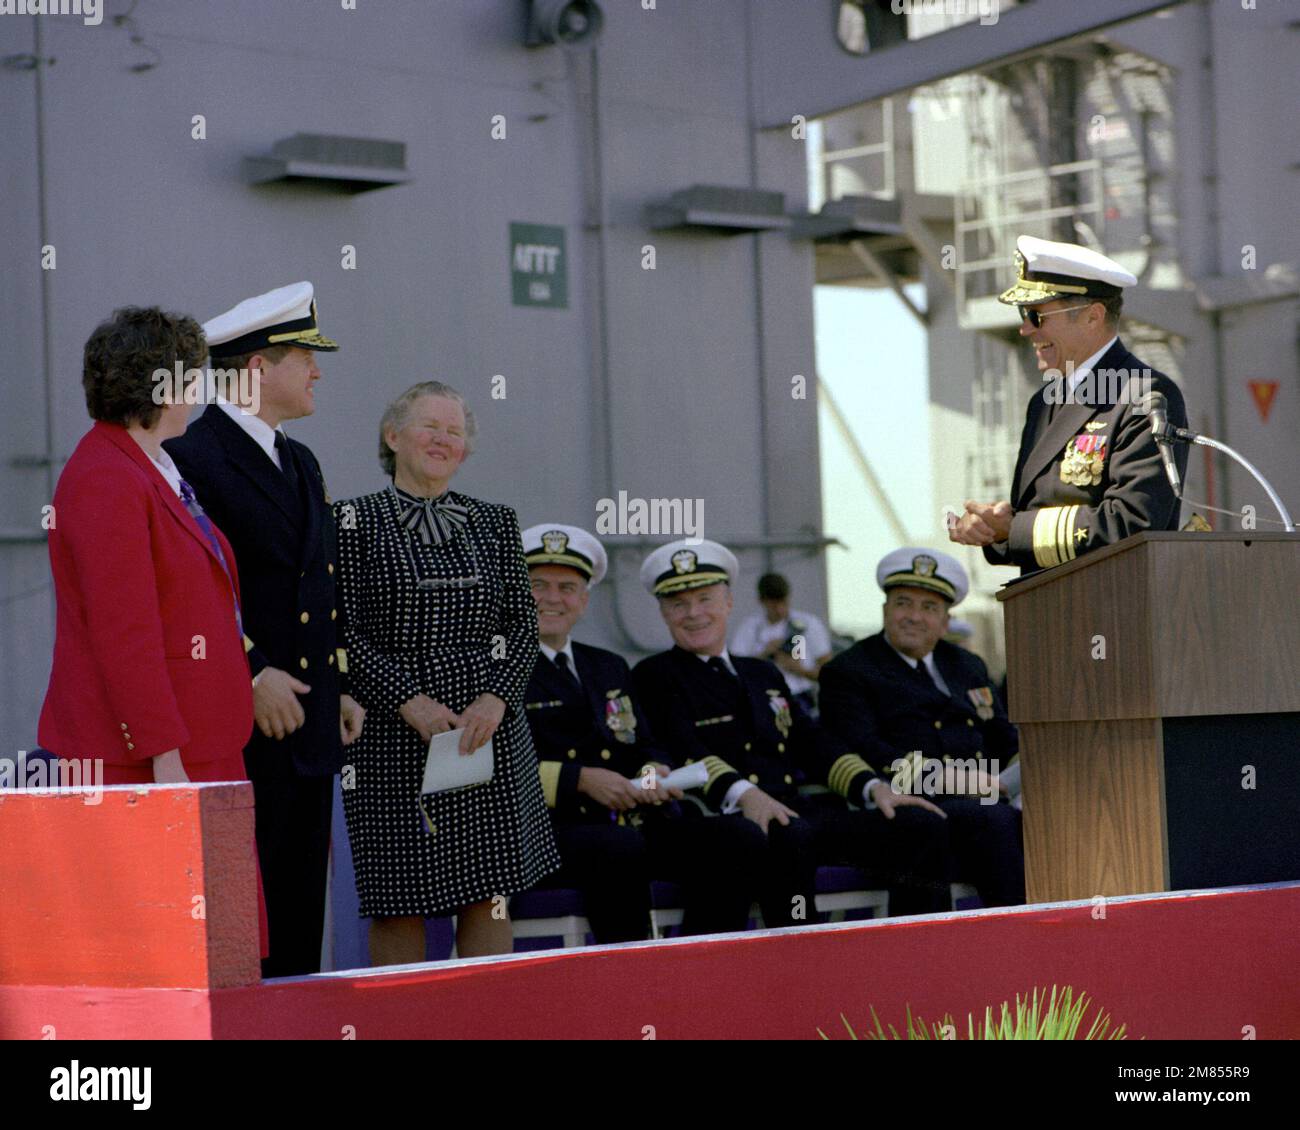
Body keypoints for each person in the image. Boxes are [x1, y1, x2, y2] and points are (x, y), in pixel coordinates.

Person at [38, 305, 266, 951]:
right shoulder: (106, 477)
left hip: (197, 751)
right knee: (170, 956)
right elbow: (125, 635)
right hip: (146, 764)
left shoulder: (151, 464)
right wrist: (165, 759)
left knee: (221, 951)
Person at [166, 282, 363, 979]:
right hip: (242, 729)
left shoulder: (301, 461)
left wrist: (336, 682)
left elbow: (316, 585)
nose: (317, 372)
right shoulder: (192, 457)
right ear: (257, 368)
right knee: (244, 927)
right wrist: (248, 672)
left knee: (300, 917)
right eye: (304, 357)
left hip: (307, 726)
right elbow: (188, 591)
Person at [335, 381, 559, 964]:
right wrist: (408, 699)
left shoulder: (496, 522)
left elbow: (520, 625)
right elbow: (342, 631)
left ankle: (488, 1025)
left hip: (484, 731)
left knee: (488, 895)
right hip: (390, 731)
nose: (443, 440)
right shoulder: (351, 521)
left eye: (454, 432)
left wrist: (496, 699)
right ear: (393, 436)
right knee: (398, 899)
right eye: (430, 427)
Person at [631, 539, 952, 926]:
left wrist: (874, 788)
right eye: (679, 604)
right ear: (664, 613)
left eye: (705, 599)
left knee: (920, 825)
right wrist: (747, 794)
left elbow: (811, 741)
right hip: (726, 817)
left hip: (796, 811)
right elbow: (686, 749)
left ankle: (915, 957)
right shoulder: (654, 675)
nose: (694, 613)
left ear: (728, 603)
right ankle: (803, 972)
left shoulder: (761, 673)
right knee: (791, 834)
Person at [522, 523, 761, 942]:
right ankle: (630, 982)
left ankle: (700, 968)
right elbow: (490, 763)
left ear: (584, 599)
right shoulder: (495, 666)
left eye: (567, 587)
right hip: (548, 832)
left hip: (631, 820)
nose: (552, 598)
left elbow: (643, 740)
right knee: (616, 847)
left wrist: (654, 769)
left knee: (736, 836)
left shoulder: (607, 665)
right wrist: (580, 780)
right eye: (538, 585)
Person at [949, 235, 1189, 573]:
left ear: (1093, 316)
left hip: (1118, 605)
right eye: (1023, 314)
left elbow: (1133, 523)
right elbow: (1037, 514)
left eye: (1036, 315)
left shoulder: (1145, 396)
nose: (1025, 330)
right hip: (1050, 607)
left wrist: (1014, 529)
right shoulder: (1044, 403)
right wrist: (994, 528)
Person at [818, 548, 1025, 906]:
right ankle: (1012, 935)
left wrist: (1023, 772)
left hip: (986, 795)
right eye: (903, 603)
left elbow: (1003, 737)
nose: (914, 616)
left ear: (945, 620)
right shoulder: (850, 670)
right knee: (995, 820)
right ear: (885, 610)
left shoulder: (966, 664)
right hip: (911, 802)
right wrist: (940, 777)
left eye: (929, 608)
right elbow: (862, 745)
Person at [730, 573, 833, 716]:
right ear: (762, 601)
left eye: (783, 603)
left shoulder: (808, 624)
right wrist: (765, 654)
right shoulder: (749, 628)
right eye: (773, 605)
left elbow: (829, 673)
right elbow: (734, 671)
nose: (779, 610)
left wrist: (799, 669)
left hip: (800, 698)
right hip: (761, 698)